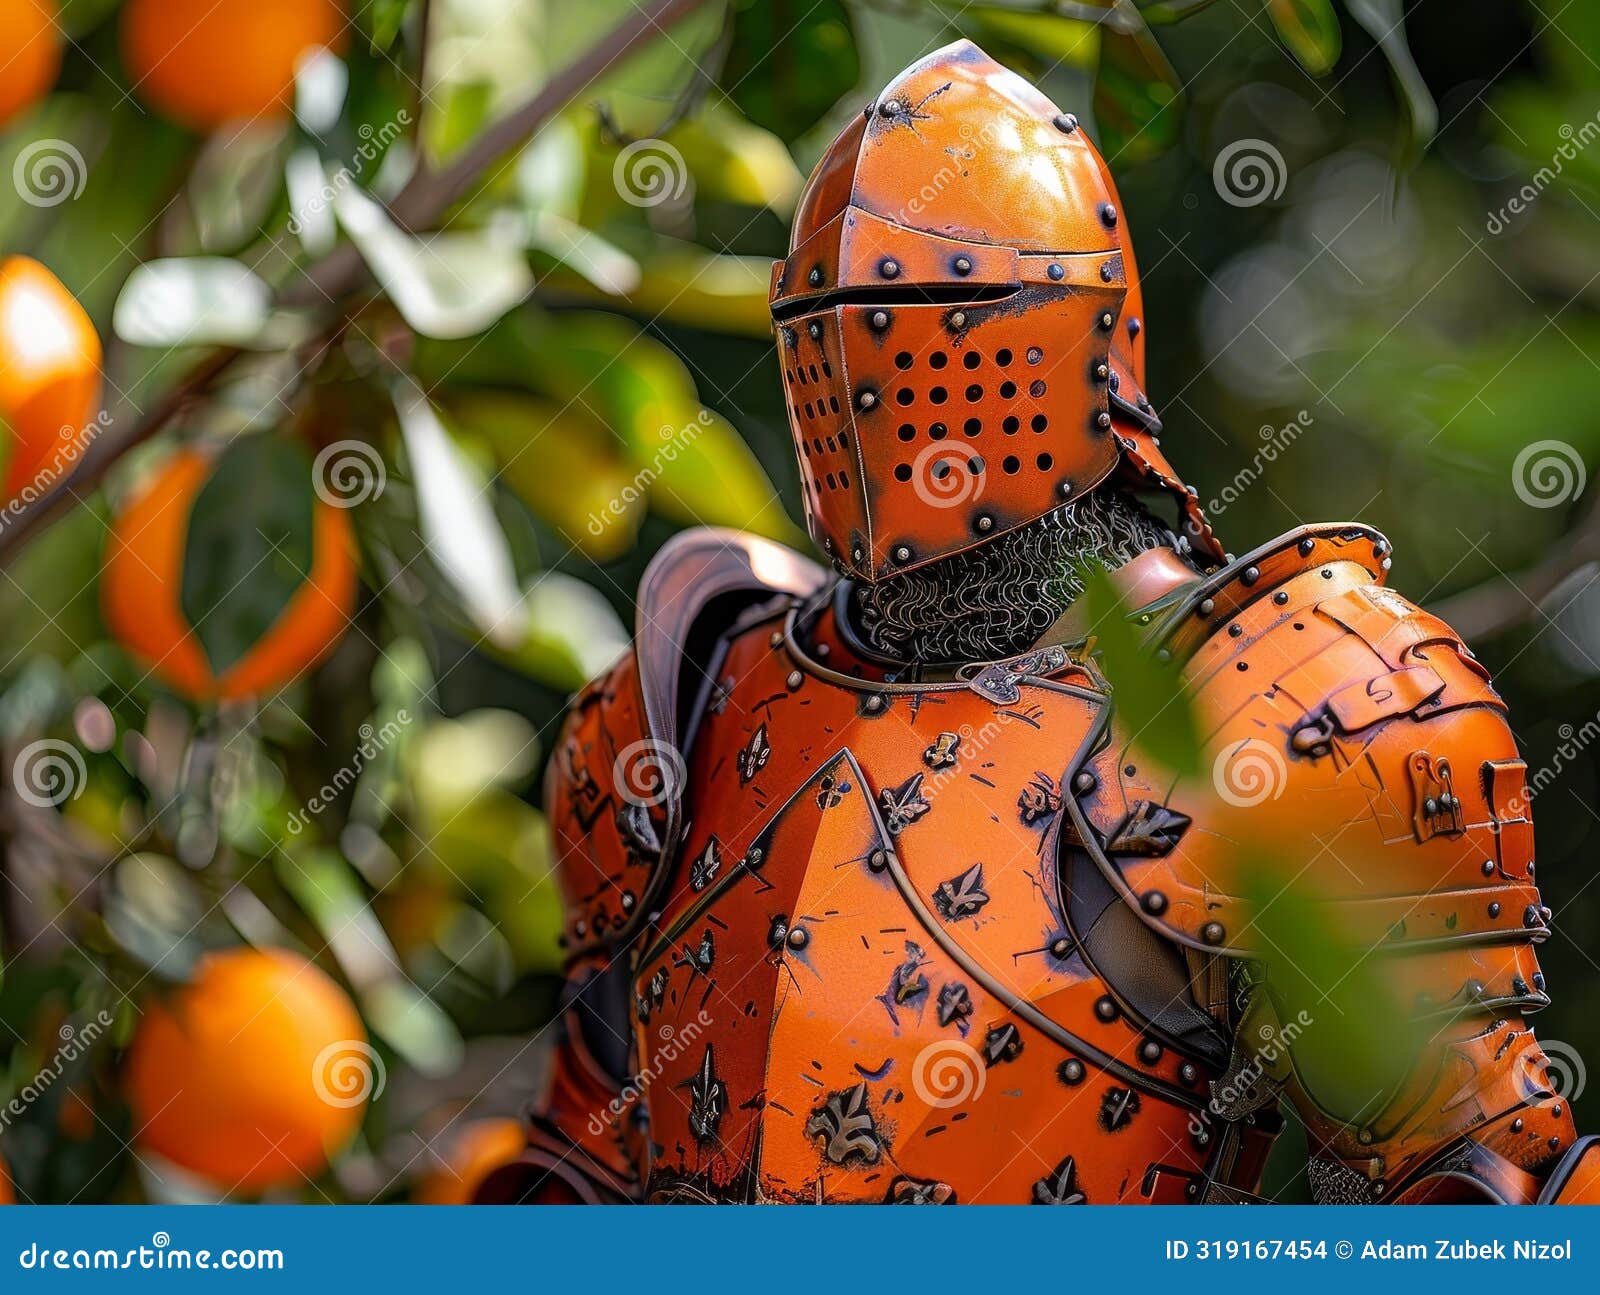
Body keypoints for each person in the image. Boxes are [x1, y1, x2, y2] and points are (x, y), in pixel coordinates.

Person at [480, 41, 1598, 1205]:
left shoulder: (1307, 694)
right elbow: (577, 1173)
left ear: (1077, 343)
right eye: (838, 328)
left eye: (936, 323)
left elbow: (1483, 1197)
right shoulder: (687, 697)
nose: (876, 390)